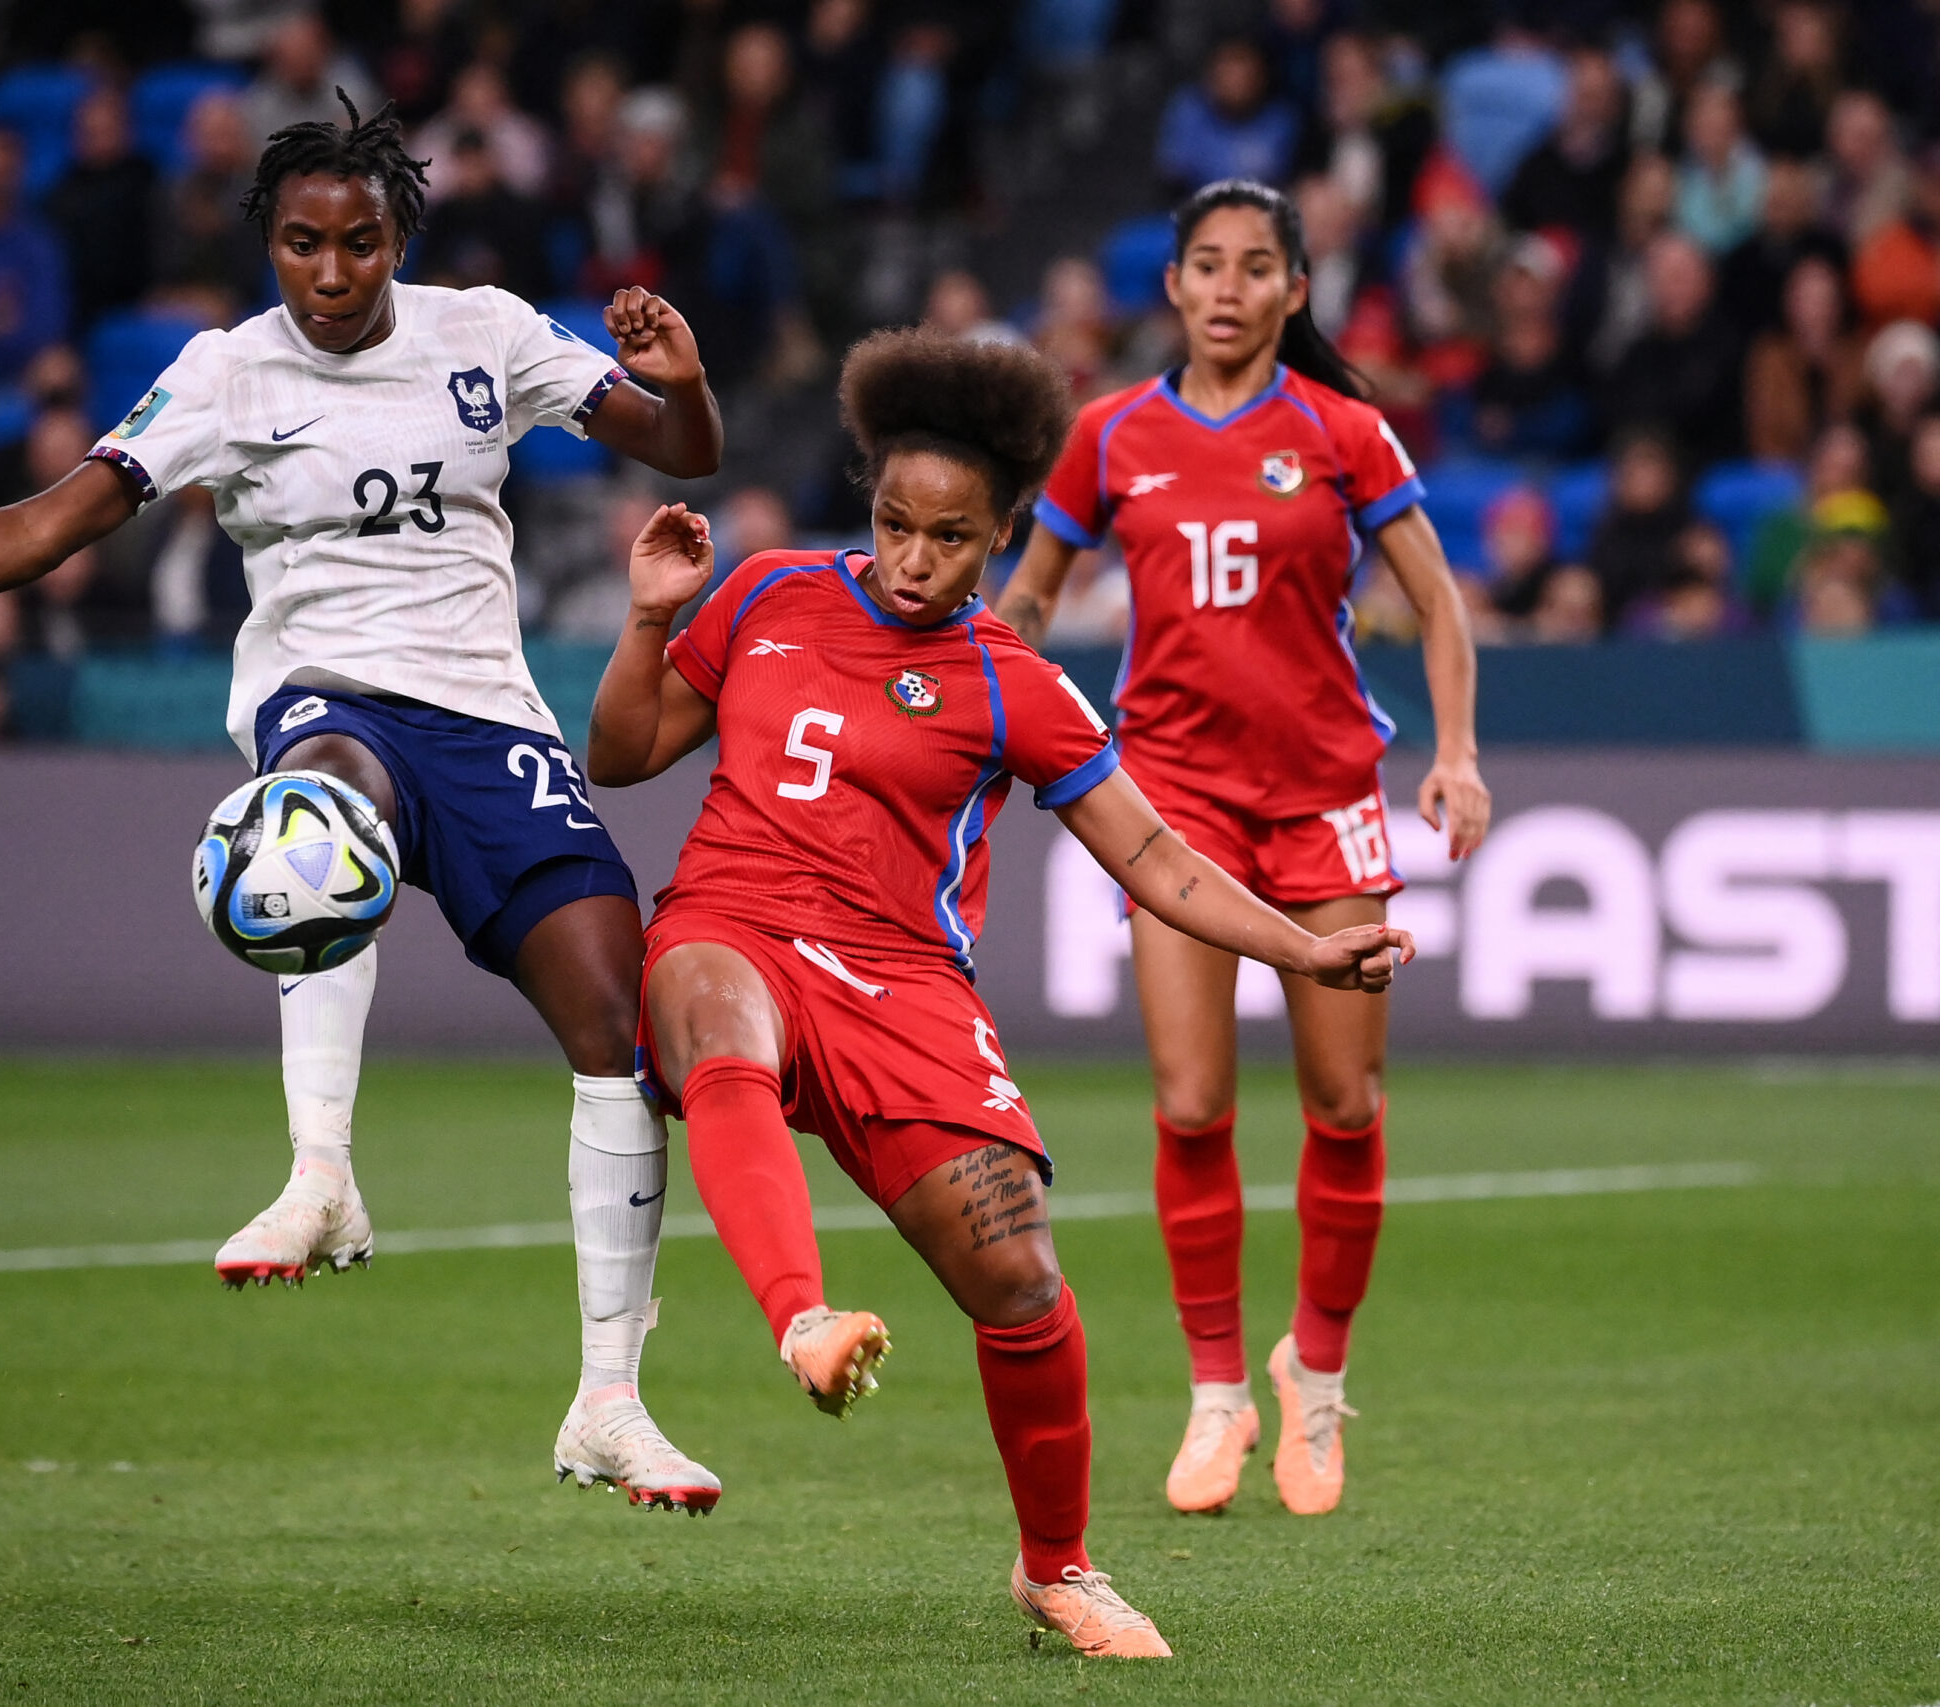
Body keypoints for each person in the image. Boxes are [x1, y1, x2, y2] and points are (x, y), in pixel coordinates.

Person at [0, 96, 728, 1514]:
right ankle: (321, 1173)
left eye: (359, 244)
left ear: (397, 241)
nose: (330, 273)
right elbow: (50, 523)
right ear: (268, 241)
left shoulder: (489, 333)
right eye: (303, 244)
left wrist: (680, 381)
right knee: (314, 828)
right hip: (331, 695)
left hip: (490, 715)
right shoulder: (222, 375)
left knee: (614, 1029)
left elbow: (683, 450)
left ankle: (611, 1403)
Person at [584, 328, 1414, 1659]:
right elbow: (620, 755)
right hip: (735, 920)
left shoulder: (1009, 681)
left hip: (905, 988)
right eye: (896, 523)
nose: (915, 558)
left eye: (953, 538)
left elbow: (1154, 857)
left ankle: (1059, 1570)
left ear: (1005, 538)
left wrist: (1305, 951)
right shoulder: (770, 595)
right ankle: (803, 1315)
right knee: (712, 1017)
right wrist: (648, 616)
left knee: (1023, 1281)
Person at [994, 179, 1492, 1519]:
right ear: (1173, 287)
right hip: (1175, 805)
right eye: (1204, 264)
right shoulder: (1111, 436)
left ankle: (1313, 1379)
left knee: (1344, 1103)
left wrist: (1453, 754)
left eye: (1253, 266)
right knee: (1193, 1102)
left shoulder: (1342, 431)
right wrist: (986, 689)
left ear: (1293, 291)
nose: (1226, 287)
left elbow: (1438, 604)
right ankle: (1218, 1393)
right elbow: (1031, 596)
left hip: (1326, 794)